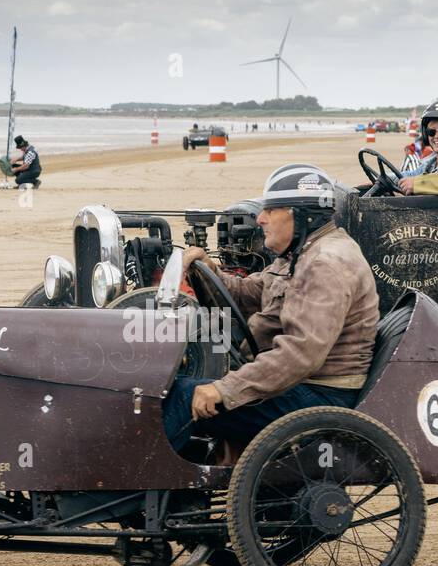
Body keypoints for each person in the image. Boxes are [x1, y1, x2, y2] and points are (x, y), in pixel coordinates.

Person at [162, 165, 378, 453]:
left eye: (271, 210)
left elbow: (300, 353)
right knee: (178, 386)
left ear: (300, 215)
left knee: (177, 397)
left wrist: (224, 389)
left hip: (318, 395)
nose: (260, 219)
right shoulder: (304, 252)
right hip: (303, 384)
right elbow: (252, 292)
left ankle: (139, 494)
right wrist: (208, 271)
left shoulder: (325, 263)